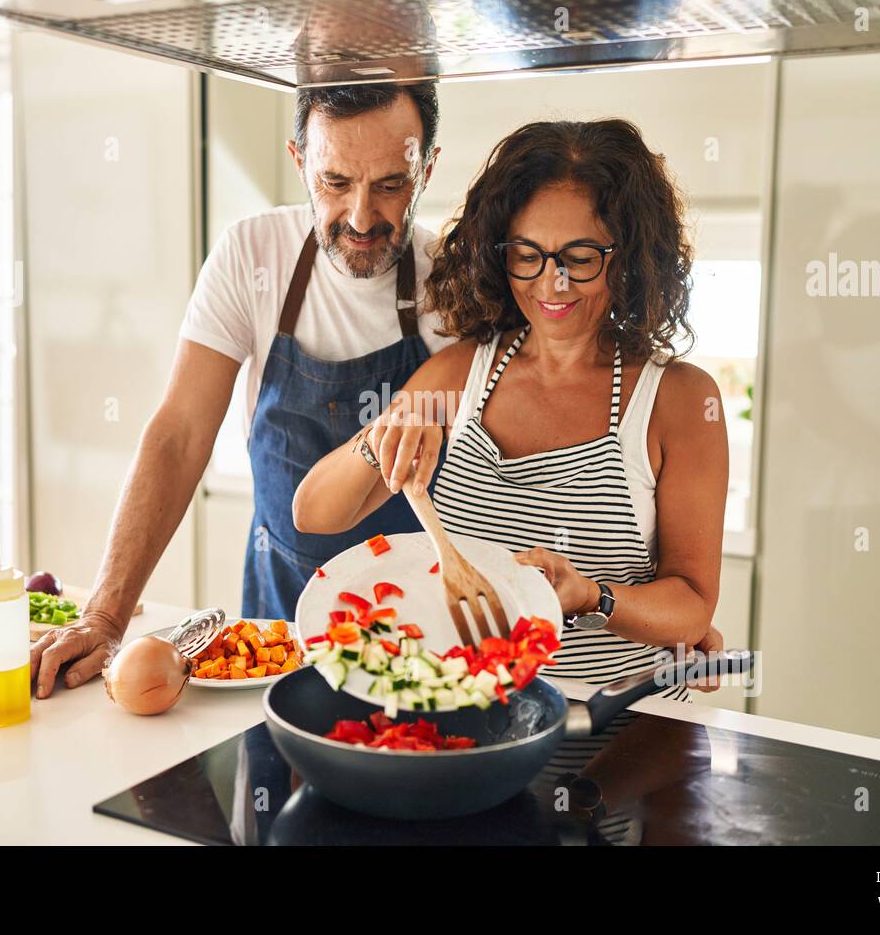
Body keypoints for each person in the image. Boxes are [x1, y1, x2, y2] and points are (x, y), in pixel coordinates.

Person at [31, 82, 452, 698]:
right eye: (335, 183)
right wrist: (106, 613)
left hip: (420, 638)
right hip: (274, 630)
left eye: (391, 185)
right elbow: (179, 433)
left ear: (427, 169)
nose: (362, 217)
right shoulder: (252, 254)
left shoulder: (454, 277)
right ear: (299, 162)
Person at [293, 118, 727, 701]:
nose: (554, 283)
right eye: (529, 255)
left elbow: (692, 608)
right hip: (477, 716)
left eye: (581, 256)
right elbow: (314, 512)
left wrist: (590, 595)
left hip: (624, 727)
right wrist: (383, 434)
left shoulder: (677, 400)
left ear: (628, 258)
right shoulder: (459, 374)